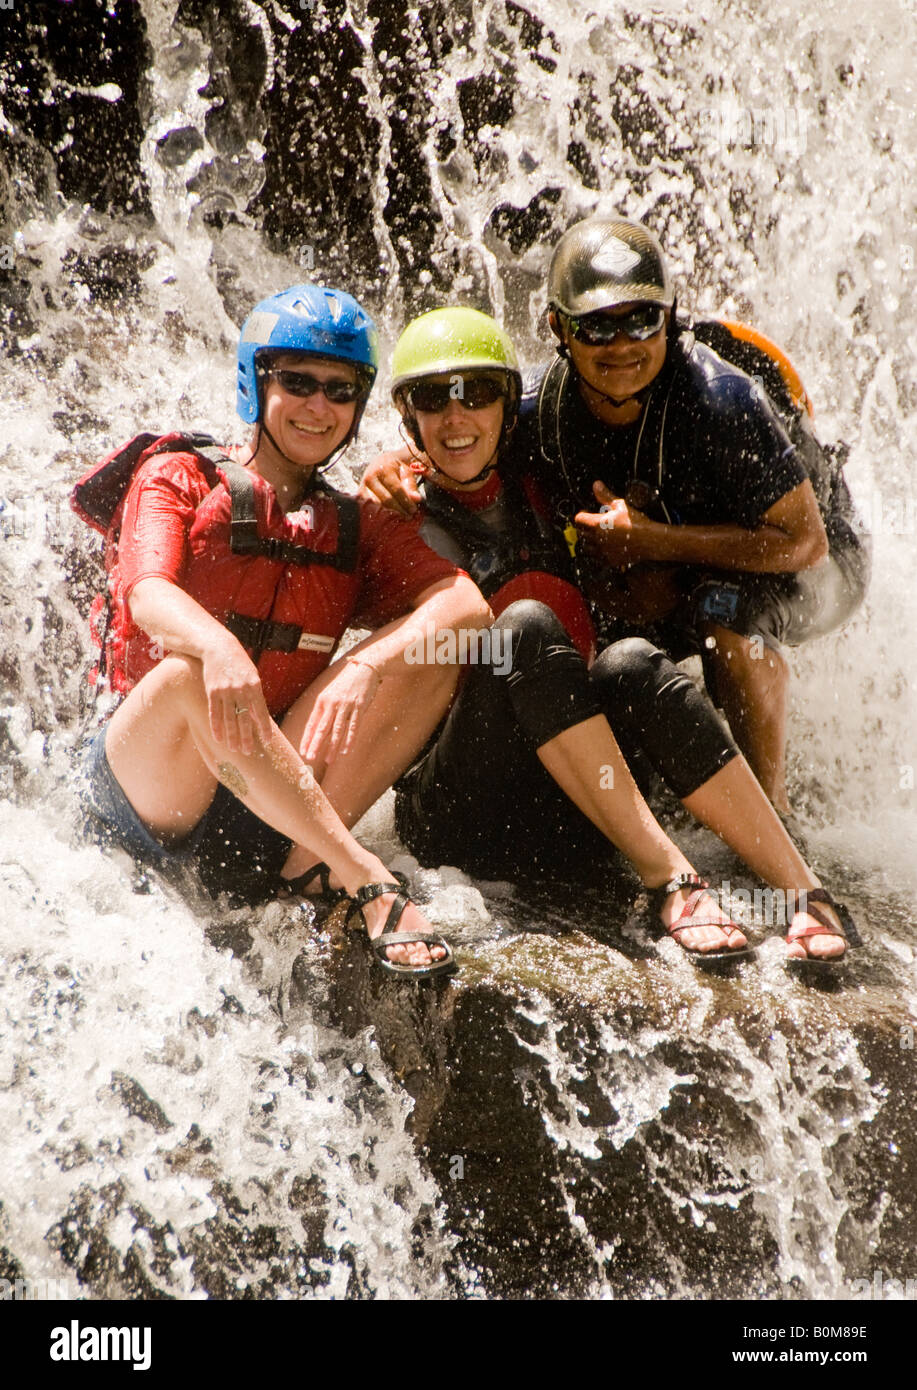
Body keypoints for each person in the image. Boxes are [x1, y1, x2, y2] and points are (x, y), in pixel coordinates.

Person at [361, 306, 859, 971]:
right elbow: (373, 667)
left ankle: (802, 893)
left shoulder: (553, 476)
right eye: (433, 399)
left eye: (476, 395)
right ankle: (674, 883)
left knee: (631, 662)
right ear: (407, 416)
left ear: (510, 409)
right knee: (524, 632)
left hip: (584, 803)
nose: (456, 418)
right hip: (464, 810)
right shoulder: (391, 514)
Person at [369, 218, 869, 823]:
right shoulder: (541, 409)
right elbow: (466, 430)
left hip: (819, 560)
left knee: (723, 609)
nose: (622, 345)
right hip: (678, 554)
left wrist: (653, 540)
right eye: (597, 326)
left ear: (670, 315)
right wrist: (398, 462)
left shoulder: (719, 399)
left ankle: (773, 815)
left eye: (642, 320)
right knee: (602, 623)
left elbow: (804, 542)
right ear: (558, 328)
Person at [75, 284, 493, 980]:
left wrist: (361, 667)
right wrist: (216, 645)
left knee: (434, 648)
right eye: (297, 383)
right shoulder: (178, 474)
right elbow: (147, 594)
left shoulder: (354, 524)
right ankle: (359, 872)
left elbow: (466, 607)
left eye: (339, 390)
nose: (318, 406)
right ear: (256, 381)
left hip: (261, 804)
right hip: (149, 792)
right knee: (189, 674)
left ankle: (305, 868)